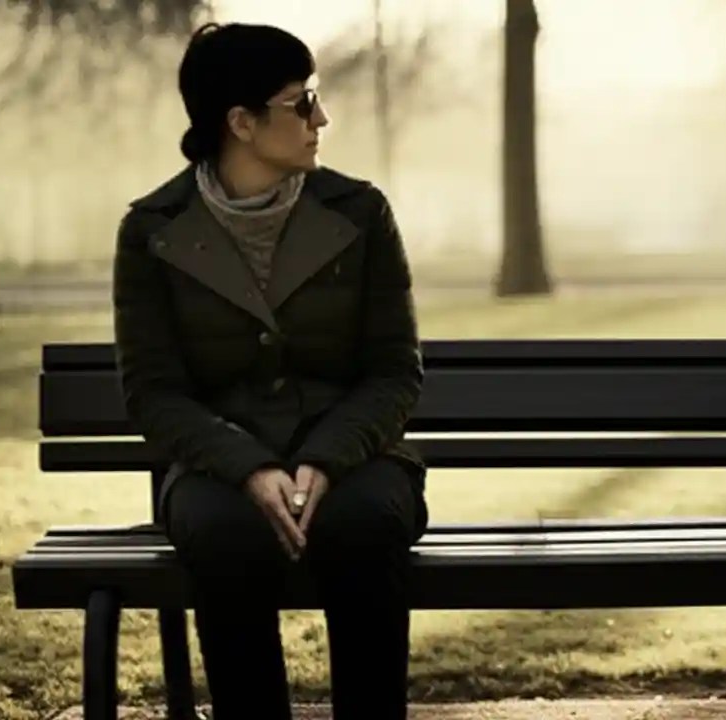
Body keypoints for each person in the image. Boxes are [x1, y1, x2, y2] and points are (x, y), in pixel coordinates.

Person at [111, 21, 429, 720]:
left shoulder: (360, 212)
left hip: (357, 457)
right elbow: (155, 392)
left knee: (365, 525)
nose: (321, 119)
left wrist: (324, 461)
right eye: (302, 102)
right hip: (218, 467)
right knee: (223, 535)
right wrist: (249, 468)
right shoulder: (152, 230)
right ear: (241, 123)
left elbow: (394, 373)